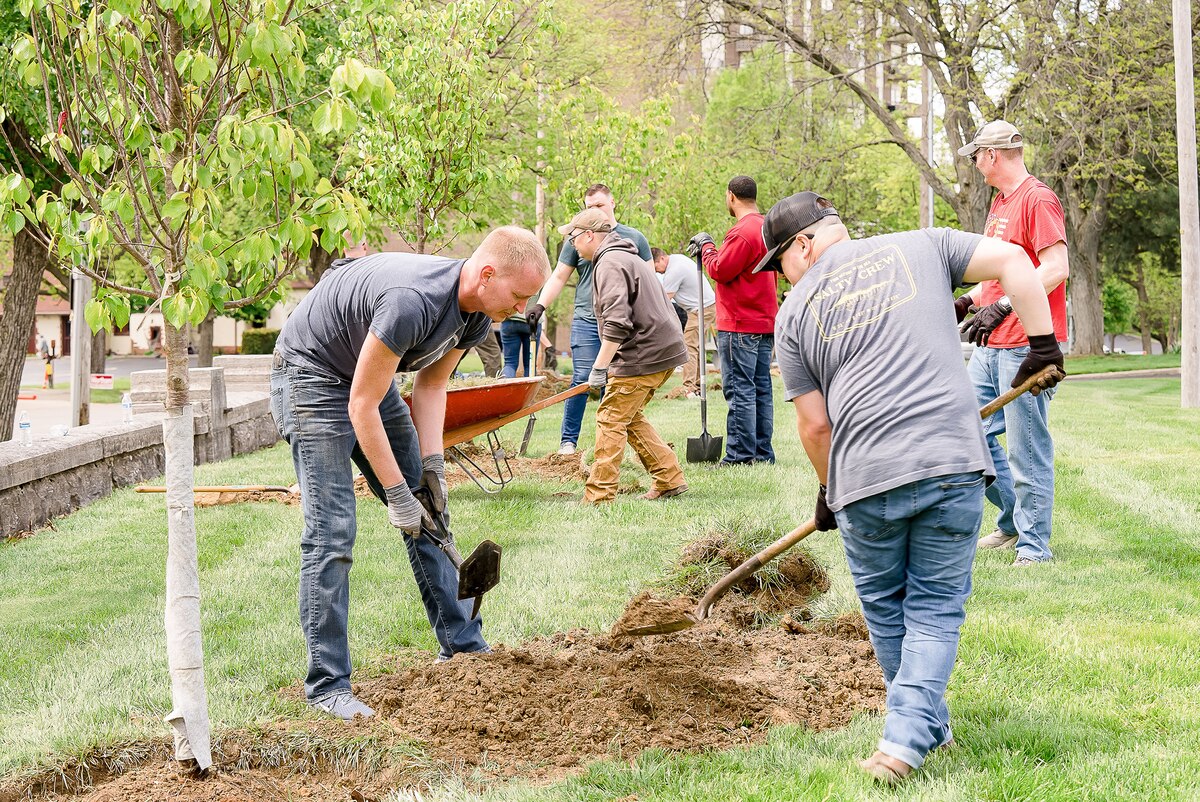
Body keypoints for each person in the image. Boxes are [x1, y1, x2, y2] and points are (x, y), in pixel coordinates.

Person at [762, 191, 1063, 784]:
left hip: (865, 479)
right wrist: (1043, 344)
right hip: (951, 464)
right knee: (933, 608)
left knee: (890, 613)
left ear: (804, 244)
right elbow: (1016, 263)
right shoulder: (925, 245)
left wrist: (829, 490)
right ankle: (928, 725)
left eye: (779, 264)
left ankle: (902, 741)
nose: (781, 278)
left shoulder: (793, 315)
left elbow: (816, 425)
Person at [270, 226, 550, 720]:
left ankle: (462, 646)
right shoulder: (412, 301)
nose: (523, 308)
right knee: (332, 533)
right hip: (311, 377)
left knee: (430, 509)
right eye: (520, 295)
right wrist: (397, 494)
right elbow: (360, 405)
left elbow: (431, 387)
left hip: (363, 383)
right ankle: (328, 686)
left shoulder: (476, 318)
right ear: (487, 274)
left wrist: (431, 467)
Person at [956, 121, 1070, 567]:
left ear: (993, 155)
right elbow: (1000, 266)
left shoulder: (1037, 199)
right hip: (990, 345)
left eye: (976, 156)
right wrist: (971, 299)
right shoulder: (1000, 202)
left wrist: (1003, 306)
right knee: (965, 433)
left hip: (1027, 344)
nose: (975, 165)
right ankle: (1011, 523)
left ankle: (1034, 547)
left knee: (1027, 447)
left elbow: (1055, 266)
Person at [558, 209, 688, 504]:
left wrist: (599, 368)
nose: (572, 244)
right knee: (629, 416)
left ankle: (599, 494)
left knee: (611, 416)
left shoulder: (610, 263)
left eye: (573, 237)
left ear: (589, 235)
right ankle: (669, 478)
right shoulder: (624, 256)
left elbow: (617, 321)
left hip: (646, 352)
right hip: (662, 348)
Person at [525, 184, 653, 455]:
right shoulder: (579, 236)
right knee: (582, 378)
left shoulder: (634, 238)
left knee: (616, 383)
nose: (594, 210)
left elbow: (650, 280)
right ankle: (568, 442)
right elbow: (560, 275)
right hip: (586, 319)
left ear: (613, 203)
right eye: (589, 206)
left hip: (623, 324)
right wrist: (540, 305)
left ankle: (607, 444)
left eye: (599, 205)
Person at [689, 175, 777, 465]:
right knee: (761, 389)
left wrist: (707, 246)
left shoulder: (742, 232)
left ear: (731, 197)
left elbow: (720, 270)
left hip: (740, 323)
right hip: (764, 321)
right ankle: (762, 454)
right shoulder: (768, 228)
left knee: (740, 389)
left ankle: (740, 455)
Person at [653, 248, 717, 398]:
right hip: (706, 307)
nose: (657, 272)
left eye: (656, 267)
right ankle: (699, 384)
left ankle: (689, 387)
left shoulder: (674, 270)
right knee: (697, 346)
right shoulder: (677, 259)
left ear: (662, 259)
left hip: (701, 309)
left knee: (689, 346)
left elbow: (663, 301)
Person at [500, 293, 544, 378]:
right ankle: (529, 391)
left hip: (510, 320)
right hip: (532, 321)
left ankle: (507, 390)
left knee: (509, 363)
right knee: (530, 364)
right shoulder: (541, 279)